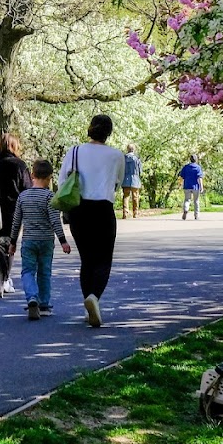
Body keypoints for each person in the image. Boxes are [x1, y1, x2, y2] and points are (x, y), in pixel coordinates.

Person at [59, 114, 126, 327]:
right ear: (109, 132)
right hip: (103, 209)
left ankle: (89, 304)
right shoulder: (116, 155)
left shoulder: (75, 151)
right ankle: (94, 297)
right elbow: (118, 182)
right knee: (104, 259)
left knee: (87, 260)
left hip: (79, 209)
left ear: (90, 129)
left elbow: (63, 181)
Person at [11, 158, 71, 320]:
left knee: (28, 271)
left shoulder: (23, 197)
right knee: (44, 272)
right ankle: (44, 304)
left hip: (28, 241)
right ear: (50, 178)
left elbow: (16, 222)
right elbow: (55, 220)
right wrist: (63, 240)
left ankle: (32, 297)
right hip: (46, 241)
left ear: (32, 175)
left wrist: (12, 242)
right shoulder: (49, 197)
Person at [120, 144, 142, 219]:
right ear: (134, 149)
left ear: (127, 149)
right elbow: (140, 170)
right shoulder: (136, 158)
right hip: (135, 179)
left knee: (126, 196)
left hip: (125, 179)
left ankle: (125, 212)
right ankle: (135, 213)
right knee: (135, 197)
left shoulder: (123, 158)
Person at [178, 154, 203, 219]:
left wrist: (180, 184)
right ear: (196, 160)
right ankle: (196, 215)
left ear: (190, 159)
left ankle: (186, 209)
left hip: (187, 186)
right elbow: (199, 178)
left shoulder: (186, 167)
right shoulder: (198, 167)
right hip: (196, 187)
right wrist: (201, 187)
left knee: (187, 200)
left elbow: (181, 177)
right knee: (196, 201)